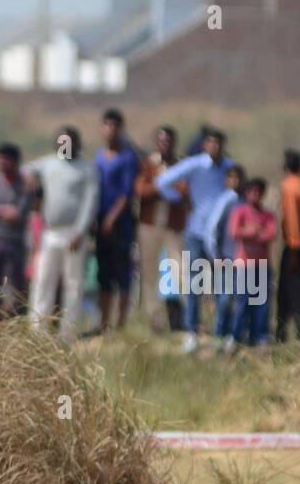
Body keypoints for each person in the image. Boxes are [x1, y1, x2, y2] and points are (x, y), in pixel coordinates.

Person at [156, 128, 235, 353]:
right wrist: (180, 199)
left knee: (223, 285)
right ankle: (192, 332)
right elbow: (163, 182)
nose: (214, 147)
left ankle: (222, 333)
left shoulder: (229, 168)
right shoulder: (196, 165)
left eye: (218, 143)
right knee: (194, 285)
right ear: (205, 145)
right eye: (210, 142)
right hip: (197, 233)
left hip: (220, 237)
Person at [24, 125, 99, 340]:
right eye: (61, 141)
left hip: (74, 234)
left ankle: (68, 333)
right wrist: (29, 173)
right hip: (51, 233)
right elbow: (27, 167)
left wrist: (80, 231)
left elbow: (90, 203)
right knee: (43, 281)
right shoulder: (48, 163)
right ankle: (38, 331)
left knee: (73, 285)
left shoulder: (87, 169)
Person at [136, 125, 188, 333]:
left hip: (173, 226)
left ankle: (186, 320)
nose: (165, 144)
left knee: (180, 271)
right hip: (150, 225)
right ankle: (155, 321)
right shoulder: (148, 164)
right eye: (161, 140)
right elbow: (141, 190)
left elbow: (183, 191)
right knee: (150, 273)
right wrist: (161, 184)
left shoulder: (181, 165)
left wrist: (165, 186)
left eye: (168, 141)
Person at [94, 109, 140, 332]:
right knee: (104, 275)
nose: (111, 130)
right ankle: (103, 323)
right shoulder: (99, 156)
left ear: (121, 129)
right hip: (100, 222)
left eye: (115, 126)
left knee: (122, 275)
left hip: (121, 224)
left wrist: (112, 218)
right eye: (107, 125)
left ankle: (121, 324)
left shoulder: (128, 157)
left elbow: (127, 193)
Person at [0, 142, 32, 316]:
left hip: (15, 243)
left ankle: (15, 322)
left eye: (5, 158)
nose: (1, 162)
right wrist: (6, 210)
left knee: (15, 288)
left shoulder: (24, 184)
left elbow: (18, 215)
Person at [228, 177, 278, 348]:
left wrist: (251, 232)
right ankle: (236, 337)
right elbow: (235, 232)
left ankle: (259, 337)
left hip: (262, 266)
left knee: (261, 305)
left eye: (258, 192)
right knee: (241, 303)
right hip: (244, 265)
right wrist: (253, 230)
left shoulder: (268, 215)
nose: (255, 195)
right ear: (247, 193)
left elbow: (271, 234)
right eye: (252, 192)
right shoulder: (240, 211)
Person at [206, 164, 246, 353]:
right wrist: (216, 256)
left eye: (238, 178)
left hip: (243, 259)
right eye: (232, 178)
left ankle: (234, 336)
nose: (235, 182)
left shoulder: (244, 200)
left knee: (239, 300)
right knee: (224, 299)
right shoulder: (225, 201)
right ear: (226, 180)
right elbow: (212, 231)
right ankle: (219, 335)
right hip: (227, 258)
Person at [276, 149, 300, 341]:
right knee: (298, 290)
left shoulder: (290, 186)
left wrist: (294, 248)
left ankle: (291, 334)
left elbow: (292, 220)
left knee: (290, 292)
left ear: (285, 166)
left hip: (293, 247)